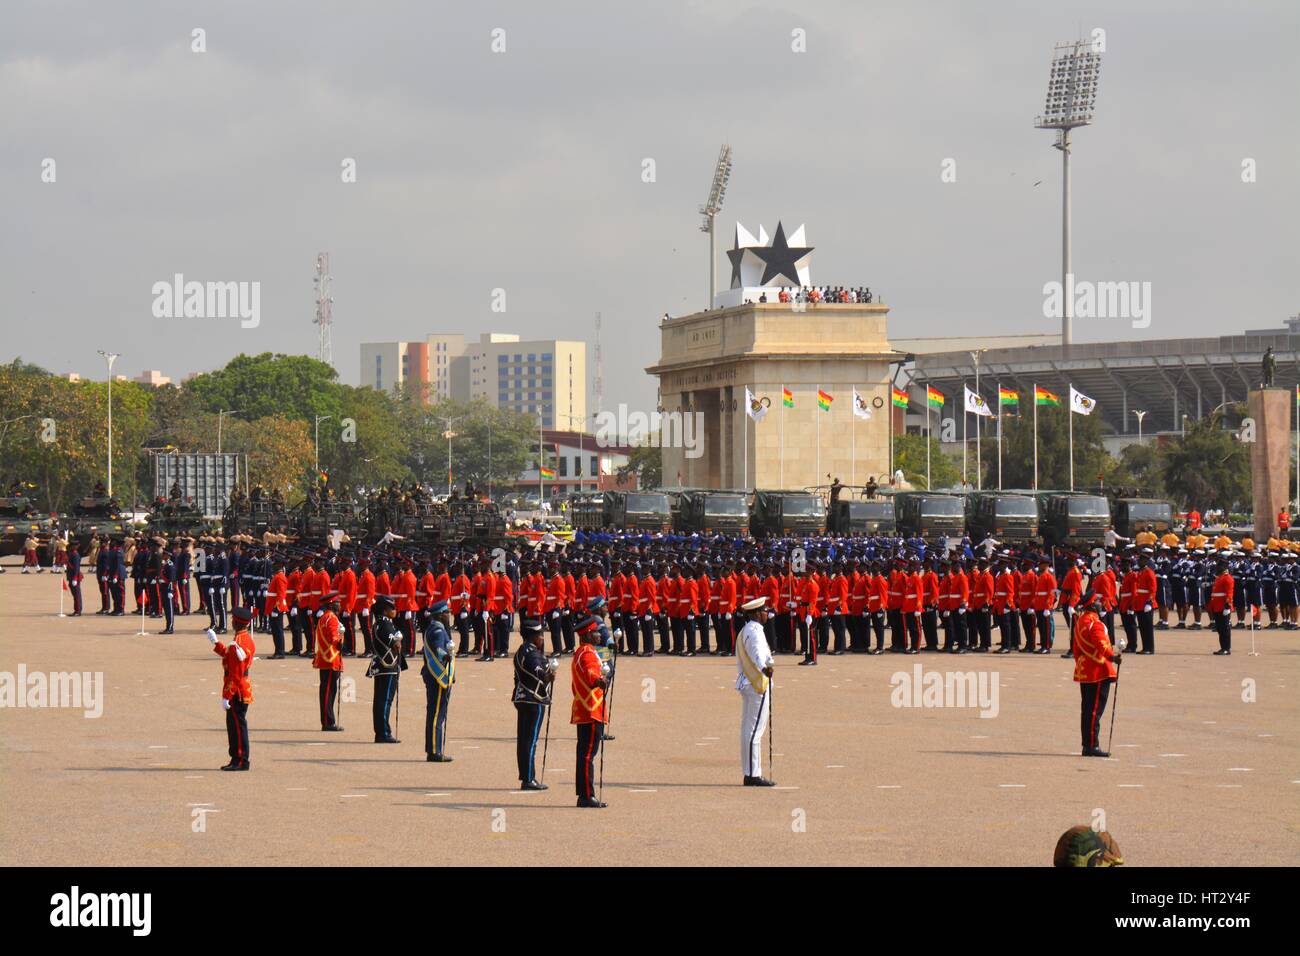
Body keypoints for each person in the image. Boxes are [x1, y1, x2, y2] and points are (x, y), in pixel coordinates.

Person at [1072, 592, 1121, 758]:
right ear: (1093, 605)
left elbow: (1076, 648)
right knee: (1094, 711)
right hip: (1098, 670)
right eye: (1098, 601)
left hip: (1085, 669)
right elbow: (1101, 644)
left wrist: (1081, 663)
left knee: (1087, 710)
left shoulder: (1081, 621)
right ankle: (1092, 745)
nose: (1101, 603)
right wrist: (1112, 657)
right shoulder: (1095, 623)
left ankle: (1088, 744)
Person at [512, 617, 557, 790]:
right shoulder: (532, 654)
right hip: (533, 699)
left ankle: (526, 775)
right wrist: (550, 676)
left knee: (523, 740)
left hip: (522, 697)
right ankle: (529, 778)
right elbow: (540, 675)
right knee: (530, 741)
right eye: (540, 635)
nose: (542, 638)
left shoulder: (521, 651)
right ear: (532, 636)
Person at [208, 607, 255, 771]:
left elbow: (235, 674)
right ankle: (236, 758)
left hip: (237, 690)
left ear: (236, 622)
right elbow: (229, 656)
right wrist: (216, 643)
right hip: (242, 687)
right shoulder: (244, 639)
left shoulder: (238, 643)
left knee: (237, 727)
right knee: (234, 726)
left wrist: (227, 695)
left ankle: (241, 759)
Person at [736, 597, 776, 786]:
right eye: (765, 611)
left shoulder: (747, 629)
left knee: (748, 730)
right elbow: (757, 653)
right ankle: (753, 774)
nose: (767, 614)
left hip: (749, 683)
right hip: (757, 683)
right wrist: (764, 668)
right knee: (755, 731)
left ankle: (750, 771)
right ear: (757, 614)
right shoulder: (755, 631)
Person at [571, 614, 610, 808]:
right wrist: (599, 681)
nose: (599, 635)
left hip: (585, 708)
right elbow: (591, 673)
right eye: (595, 632)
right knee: (588, 755)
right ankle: (587, 795)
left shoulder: (583, 651)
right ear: (587, 635)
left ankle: (583, 793)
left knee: (584, 754)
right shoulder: (587, 653)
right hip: (591, 709)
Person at [367, 597, 406, 743]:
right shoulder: (385, 624)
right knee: (385, 700)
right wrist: (399, 640)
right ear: (385, 611)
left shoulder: (379, 623)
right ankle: (383, 732)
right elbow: (395, 645)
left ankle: (381, 731)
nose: (395, 611)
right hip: (388, 665)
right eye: (392, 609)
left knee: (380, 700)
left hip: (382, 666)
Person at [422, 599, 456, 762]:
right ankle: (435, 751)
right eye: (447, 613)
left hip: (432, 676)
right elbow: (438, 650)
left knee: (433, 713)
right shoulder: (437, 631)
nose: (449, 615)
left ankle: (432, 748)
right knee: (437, 714)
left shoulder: (434, 628)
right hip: (437, 677)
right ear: (441, 615)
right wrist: (445, 656)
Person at [313, 591, 345, 732]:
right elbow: (335, 639)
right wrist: (341, 638)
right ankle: (328, 722)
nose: (340, 605)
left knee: (326, 690)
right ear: (331, 604)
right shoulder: (332, 619)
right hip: (331, 659)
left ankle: (327, 720)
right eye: (337, 603)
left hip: (325, 658)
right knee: (328, 691)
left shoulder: (323, 617)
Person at [1207, 556, 1235, 655]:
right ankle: (1223, 647)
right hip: (1217, 606)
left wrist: (1227, 606)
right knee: (1220, 628)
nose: (1217, 568)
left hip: (1223, 606)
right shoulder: (1219, 577)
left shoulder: (1227, 578)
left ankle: (1226, 648)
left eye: (1219, 566)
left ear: (1224, 567)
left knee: (1224, 628)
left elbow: (1229, 593)